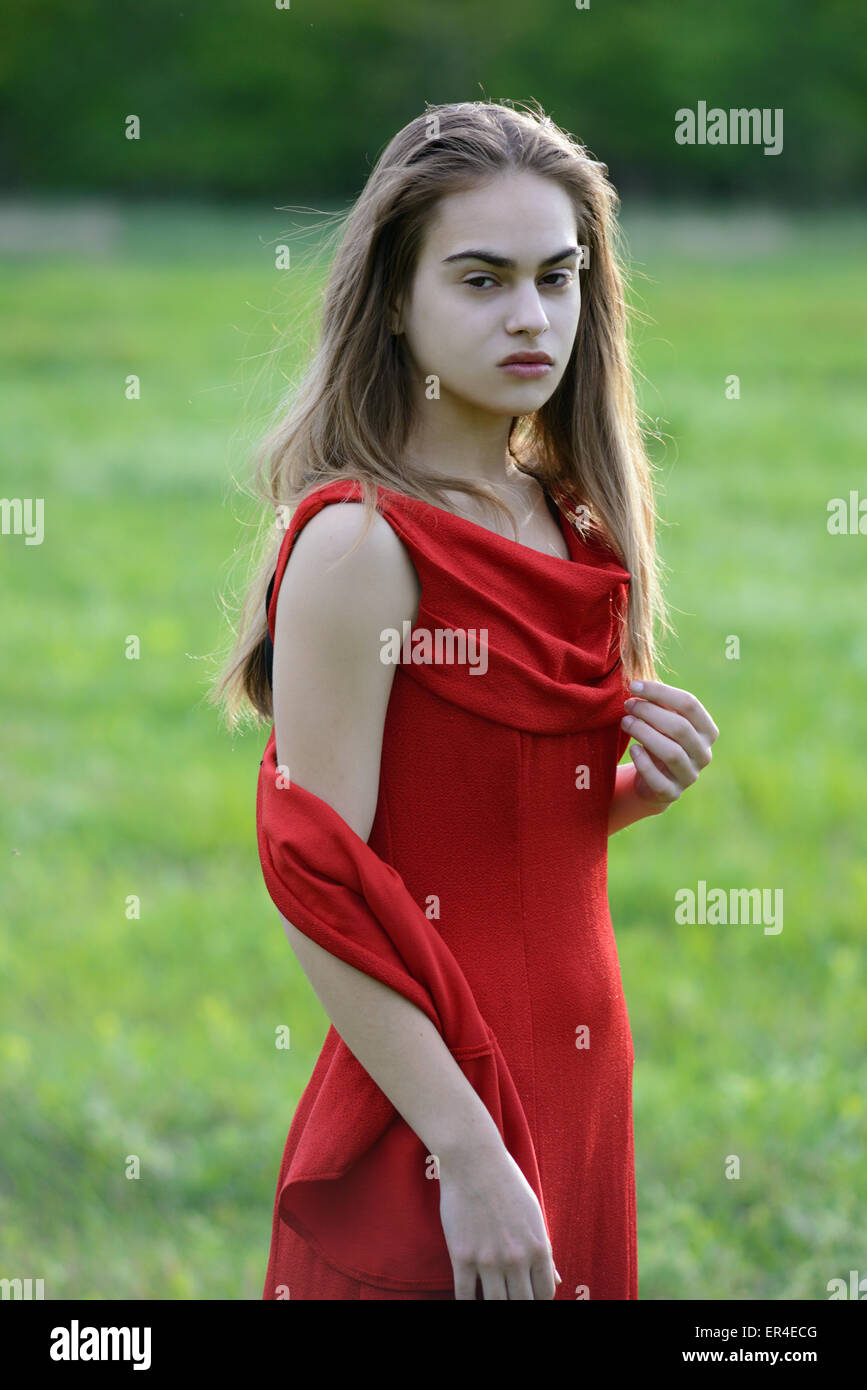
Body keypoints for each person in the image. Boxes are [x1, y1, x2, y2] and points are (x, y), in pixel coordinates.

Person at [211, 99, 719, 1300]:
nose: (531, 315)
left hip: (579, 1071)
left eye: (557, 276)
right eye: (482, 279)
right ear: (396, 297)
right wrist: (467, 1149)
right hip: (438, 1099)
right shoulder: (362, 546)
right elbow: (320, 882)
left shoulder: (572, 516)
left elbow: (483, 835)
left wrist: (619, 790)